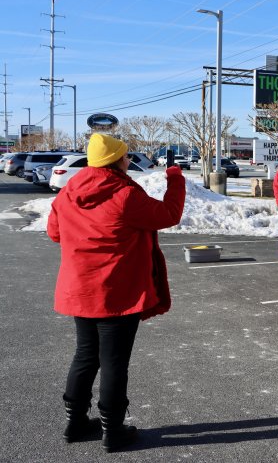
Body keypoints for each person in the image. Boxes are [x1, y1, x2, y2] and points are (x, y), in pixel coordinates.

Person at [48, 133, 186, 452]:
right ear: (116, 161)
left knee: (85, 355)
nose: (128, 159)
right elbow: (169, 215)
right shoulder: (124, 193)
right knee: (113, 361)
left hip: (79, 289)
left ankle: (75, 422)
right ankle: (113, 430)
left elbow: (55, 232)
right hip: (117, 293)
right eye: (125, 156)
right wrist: (175, 178)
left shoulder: (70, 191)